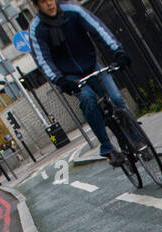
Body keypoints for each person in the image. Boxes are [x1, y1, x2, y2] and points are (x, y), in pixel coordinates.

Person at [30, 0, 132, 161]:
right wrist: (60, 80)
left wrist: (118, 51)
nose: (49, 4)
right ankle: (107, 147)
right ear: (36, 6)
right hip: (71, 76)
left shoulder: (72, 10)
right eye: (43, 1)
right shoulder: (37, 29)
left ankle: (135, 138)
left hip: (92, 65)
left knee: (116, 98)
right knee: (88, 99)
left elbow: (98, 29)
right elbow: (43, 60)